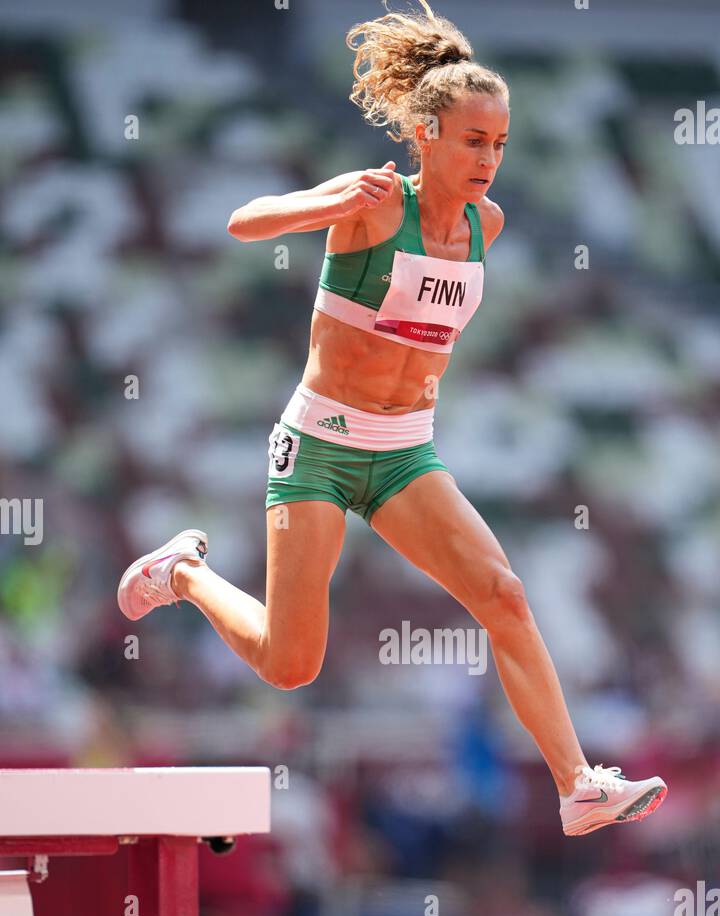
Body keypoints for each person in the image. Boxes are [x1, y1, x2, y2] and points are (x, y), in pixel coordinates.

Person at [117, 1, 666, 837]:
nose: (488, 159)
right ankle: (185, 574)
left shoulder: (487, 225)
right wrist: (326, 204)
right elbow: (242, 222)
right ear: (426, 134)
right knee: (291, 666)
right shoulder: (373, 204)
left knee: (505, 595)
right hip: (320, 450)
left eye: (499, 144)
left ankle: (577, 783)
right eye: (472, 140)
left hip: (407, 452)